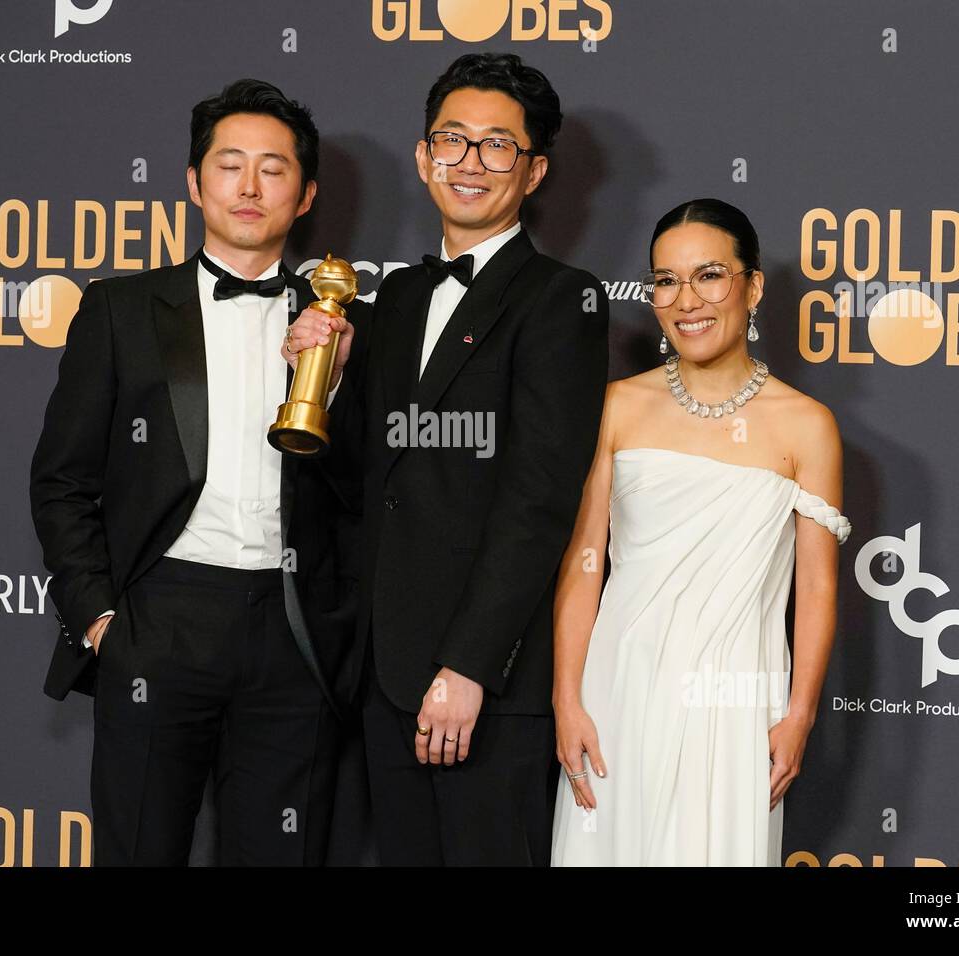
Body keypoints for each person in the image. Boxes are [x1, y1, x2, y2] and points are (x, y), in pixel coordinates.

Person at [29, 78, 369, 866]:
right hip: (160, 623)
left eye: (274, 169)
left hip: (294, 633)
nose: (249, 187)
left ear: (308, 191)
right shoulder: (120, 311)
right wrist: (103, 623)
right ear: (193, 181)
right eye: (229, 164)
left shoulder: (351, 326)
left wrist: (338, 379)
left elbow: (368, 495)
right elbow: (61, 480)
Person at [284, 52, 609, 865]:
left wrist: (469, 667)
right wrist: (314, 386)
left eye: (497, 147)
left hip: (486, 686)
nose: (471, 163)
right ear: (425, 156)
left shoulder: (560, 301)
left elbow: (540, 500)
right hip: (386, 671)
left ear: (534, 172)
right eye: (452, 141)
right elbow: (367, 477)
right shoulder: (393, 299)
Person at [549, 198, 850, 866]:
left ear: (753, 286)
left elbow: (818, 587)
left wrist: (798, 715)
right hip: (619, 693)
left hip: (737, 706)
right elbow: (583, 564)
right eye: (665, 280)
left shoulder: (806, 426)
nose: (687, 300)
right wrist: (567, 700)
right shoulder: (620, 406)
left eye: (709, 276)